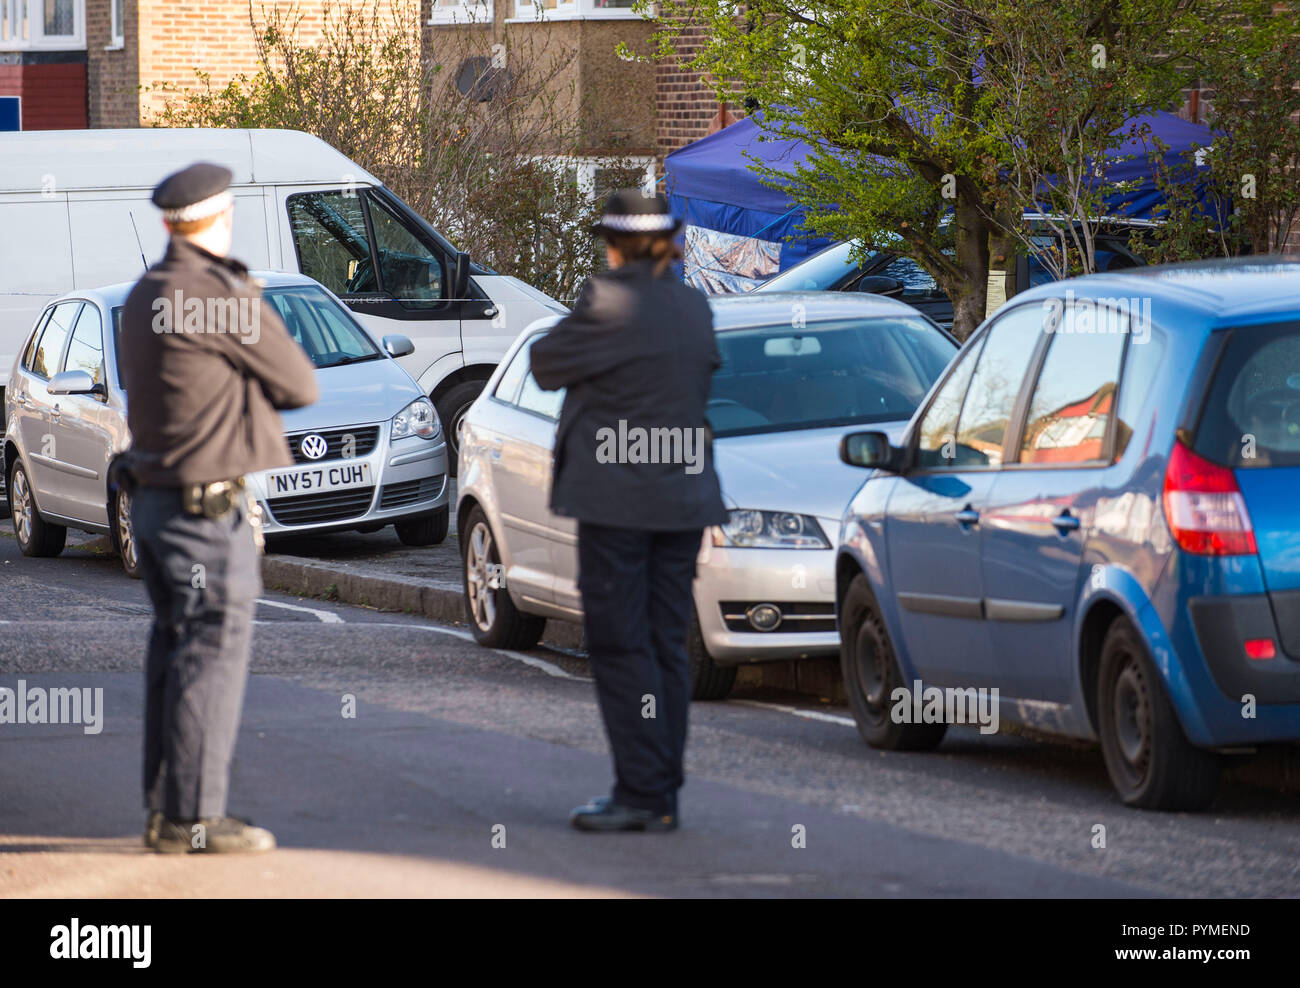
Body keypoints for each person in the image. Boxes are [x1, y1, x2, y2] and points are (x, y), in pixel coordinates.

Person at [118, 162, 319, 854]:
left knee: (174, 654)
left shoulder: (146, 292)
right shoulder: (221, 294)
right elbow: (298, 382)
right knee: (211, 654)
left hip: (153, 503)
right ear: (218, 217)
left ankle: (164, 808)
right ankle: (193, 819)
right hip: (205, 515)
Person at [532, 189, 728, 832]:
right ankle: (663, 789)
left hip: (619, 503)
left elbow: (545, 363)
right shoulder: (696, 306)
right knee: (665, 641)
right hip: (684, 500)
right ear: (669, 244)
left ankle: (640, 791)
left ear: (616, 246)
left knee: (621, 645)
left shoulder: (608, 299)